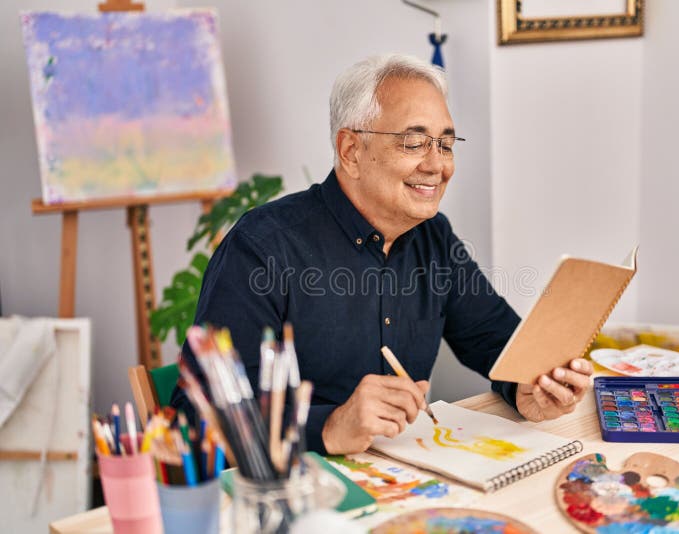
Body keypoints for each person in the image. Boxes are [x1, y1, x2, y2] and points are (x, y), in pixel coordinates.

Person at [171, 54, 592, 455]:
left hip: (407, 480)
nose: (437, 165)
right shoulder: (262, 247)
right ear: (351, 151)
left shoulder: (433, 237)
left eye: (445, 144)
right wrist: (332, 425)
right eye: (414, 143)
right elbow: (200, 416)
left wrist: (528, 388)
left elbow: (495, 339)